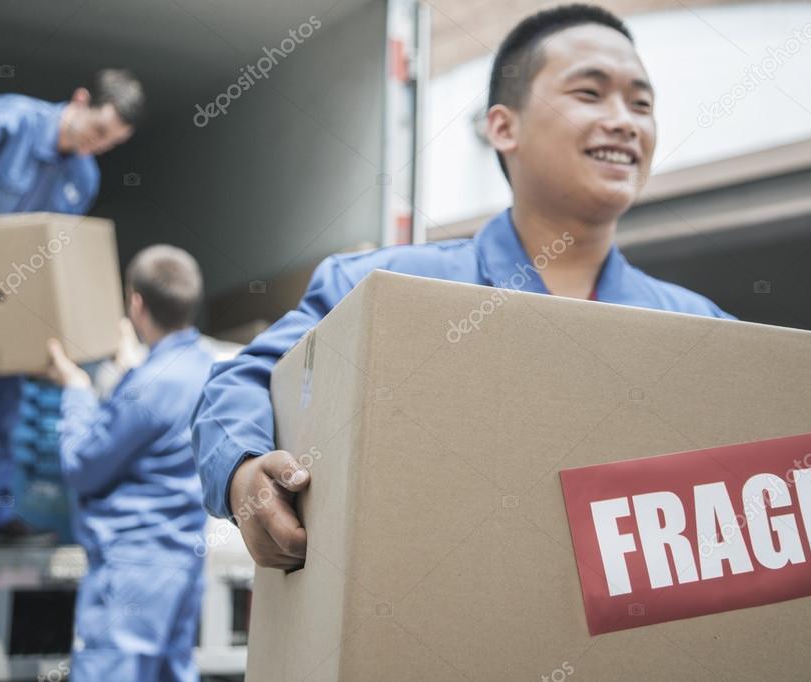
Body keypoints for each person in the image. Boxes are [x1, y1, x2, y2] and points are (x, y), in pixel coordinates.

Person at [191, 4, 736, 570]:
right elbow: (240, 381)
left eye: (641, 103)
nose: (625, 120)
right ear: (503, 127)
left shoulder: (706, 330)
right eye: (590, 94)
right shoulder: (379, 289)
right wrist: (243, 471)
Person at [0, 69, 144, 541]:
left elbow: (53, 254)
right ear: (79, 100)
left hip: (5, 299)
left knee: (4, 401)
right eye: (98, 131)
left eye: (111, 143)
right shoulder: (8, 119)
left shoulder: (83, 176)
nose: (99, 146)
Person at [47, 245, 212, 682]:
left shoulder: (148, 385)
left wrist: (77, 390)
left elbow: (83, 466)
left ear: (135, 302)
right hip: (184, 563)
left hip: (133, 567)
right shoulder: (207, 369)